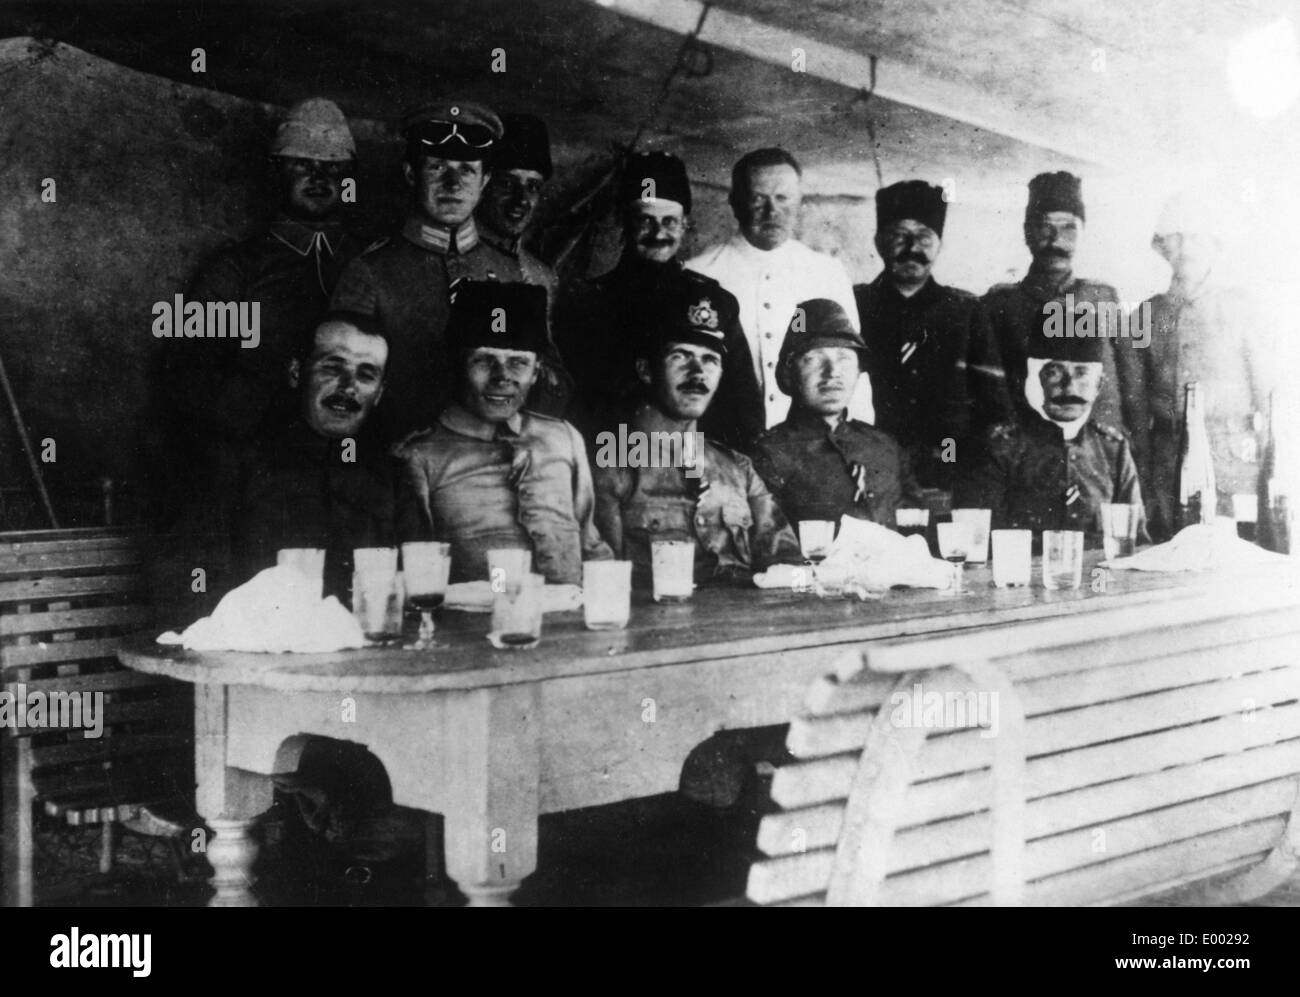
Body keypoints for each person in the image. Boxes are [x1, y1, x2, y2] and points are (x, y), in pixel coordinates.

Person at [330, 101, 569, 440]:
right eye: (438, 168)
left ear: (484, 180)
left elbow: (545, 379)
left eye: (467, 170)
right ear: (412, 175)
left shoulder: (511, 271)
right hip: (395, 454)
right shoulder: (371, 272)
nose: (453, 184)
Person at [398, 281, 612, 584]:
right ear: (459, 366)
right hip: (479, 622)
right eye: (485, 360)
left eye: (518, 363)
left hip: (571, 616)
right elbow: (418, 573)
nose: (503, 378)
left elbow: (591, 547)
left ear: (536, 372)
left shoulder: (562, 438)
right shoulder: (421, 455)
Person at [592, 280, 802, 587]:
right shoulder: (611, 464)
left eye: (710, 360)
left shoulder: (737, 469)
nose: (697, 374)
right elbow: (604, 582)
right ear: (646, 370)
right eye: (680, 356)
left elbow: (788, 565)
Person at [555, 151, 763, 450]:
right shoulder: (587, 302)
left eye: (669, 221)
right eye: (646, 221)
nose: (658, 233)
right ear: (626, 223)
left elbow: (743, 406)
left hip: (690, 462)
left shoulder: (715, 303)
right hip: (609, 458)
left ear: (684, 225)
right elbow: (574, 401)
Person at [1116, 193, 1274, 540]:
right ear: (1160, 245)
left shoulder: (1242, 308)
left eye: (1197, 236)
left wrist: (1272, 473)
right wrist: (1144, 479)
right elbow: (1135, 415)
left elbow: (1270, 399)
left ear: (1216, 244)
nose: (1187, 246)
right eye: (1176, 235)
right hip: (1168, 465)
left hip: (1235, 462)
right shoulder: (1143, 318)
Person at [687, 147, 869, 429]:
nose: (772, 211)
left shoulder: (827, 272)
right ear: (735, 203)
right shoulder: (700, 272)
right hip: (724, 440)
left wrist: (855, 441)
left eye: (783, 198)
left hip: (807, 445)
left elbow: (850, 366)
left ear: (799, 203)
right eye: (758, 199)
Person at [233, 312, 406, 602]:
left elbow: (416, 584)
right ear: (296, 373)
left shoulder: (395, 478)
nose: (348, 386)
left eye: (366, 374)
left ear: (378, 395)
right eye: (332, 368)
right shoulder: (241, 467)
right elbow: (199, 590)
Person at [854, 180, 1010, 487]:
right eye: (900, 236)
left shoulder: (966, 311)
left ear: (940, 244)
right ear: (878, 242)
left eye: (924, 237)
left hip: (951, 461)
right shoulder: (855, 305)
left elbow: (995, 405)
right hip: (872, 465)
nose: (913, 249)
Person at [955, 316, 1146, 545]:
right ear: (1034, 379)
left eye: (1082, 373)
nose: (1070, 387)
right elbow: (978, 548)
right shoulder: (1000, 447)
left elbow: (1136, 543)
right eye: (1054, 372)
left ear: (1099, 385)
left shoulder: (1114, 449)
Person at [752, 299, 920, 529]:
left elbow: (915, 532)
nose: (832, 373)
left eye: (844, 358)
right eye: (814, 359)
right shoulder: (769, 453)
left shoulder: (885, 446)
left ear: (859, 370)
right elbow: (771, 545)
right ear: (790, 373)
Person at [979, 171, 1124, 429]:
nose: (1056, 240)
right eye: (1044, 227)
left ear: (1083, 232)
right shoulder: (999, 304)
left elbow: (1127, 380)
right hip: (1024, 450)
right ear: (1027, 233)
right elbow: (987, 385)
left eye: (1069, 228)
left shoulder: (1104, 298)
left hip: (1098, 450)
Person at [475, 111, 558, 298]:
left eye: (533, 186)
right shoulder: (448, 264)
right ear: (483, 185)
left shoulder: (543, 278)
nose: (521, 200)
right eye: (507, 184)